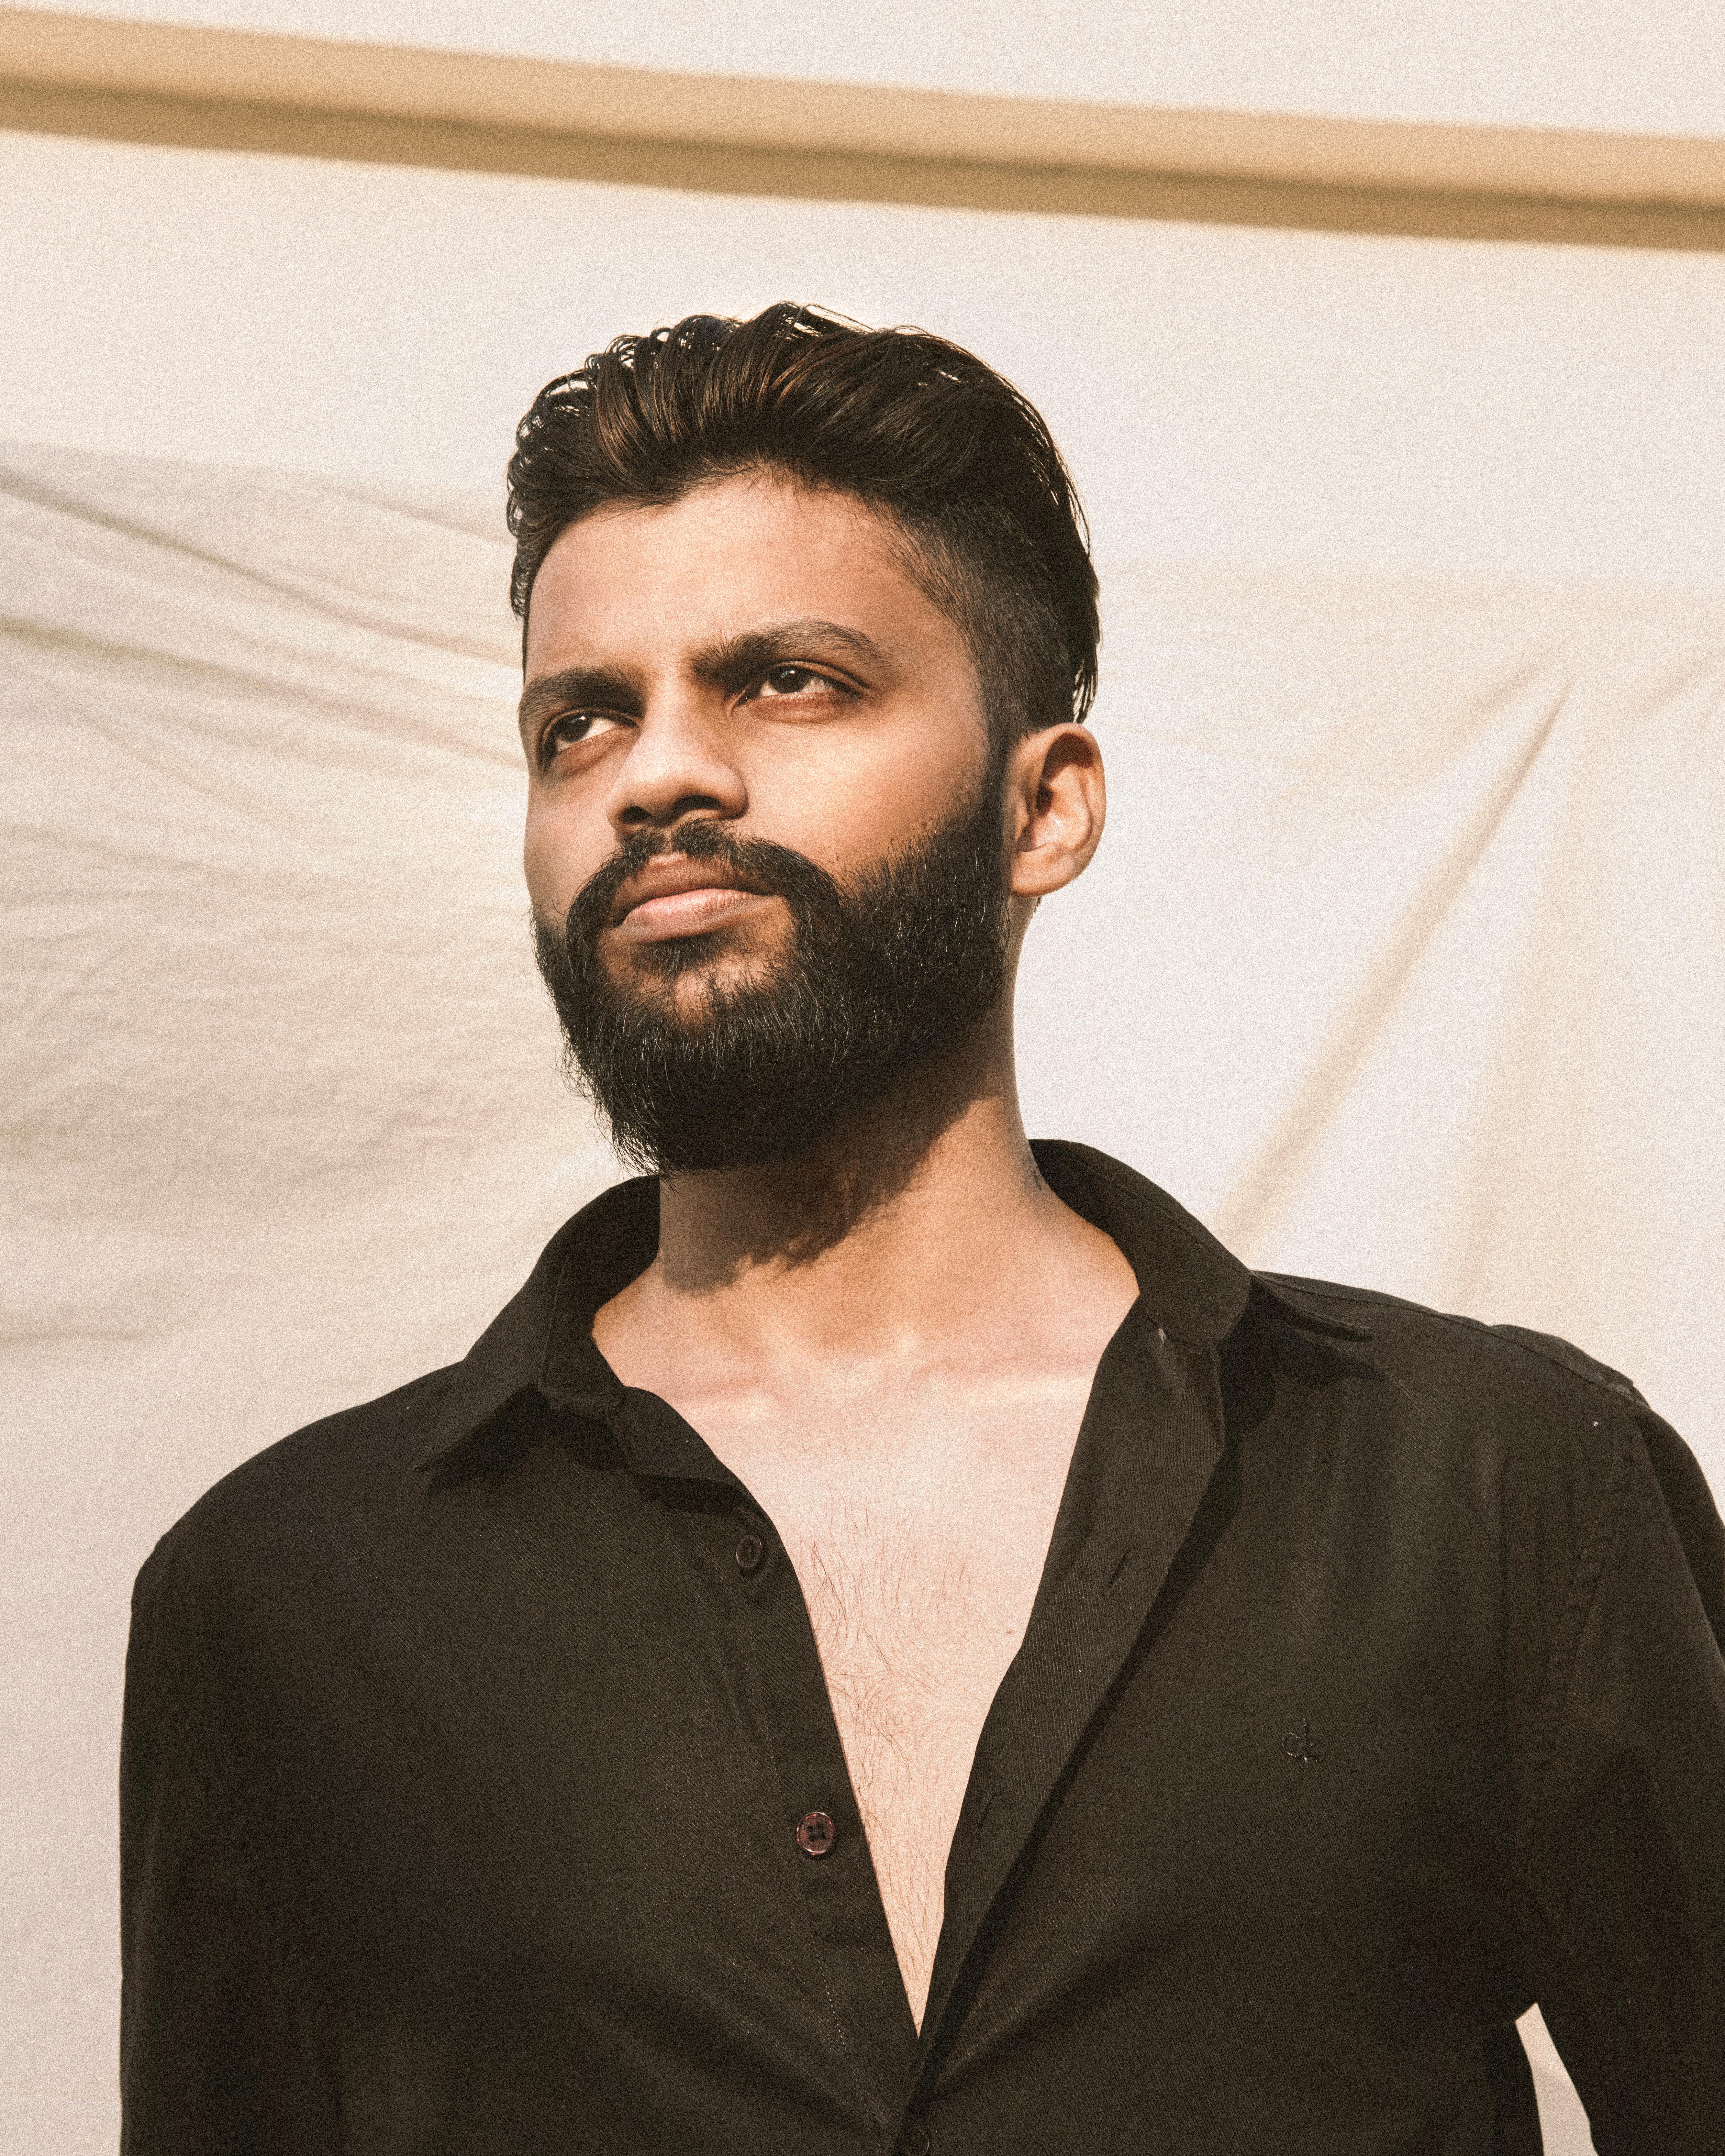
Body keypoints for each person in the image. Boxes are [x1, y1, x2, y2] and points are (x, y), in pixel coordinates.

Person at [120, 304, 1725, 2156]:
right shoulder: (287, 1600)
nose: (657, 774)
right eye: (582, 721)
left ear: (1043, 806)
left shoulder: (1490, 1492)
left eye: (788, 680)